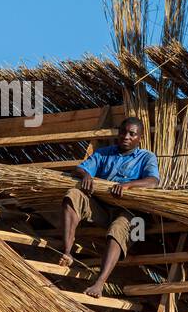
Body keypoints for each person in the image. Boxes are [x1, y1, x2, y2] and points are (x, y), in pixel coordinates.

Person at [58, 117, 160, 297]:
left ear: (140, 138)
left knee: (118, 228)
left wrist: (129, 186)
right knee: (73, 195)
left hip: (131, 214)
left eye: (132, 134)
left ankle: (99, 283)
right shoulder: (104, 153)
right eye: (123, 132)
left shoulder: (146, 157)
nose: (126, 136)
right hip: (102, 208)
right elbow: (81, 168)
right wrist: (86, 176)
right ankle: (67, 253)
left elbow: (153, 182)